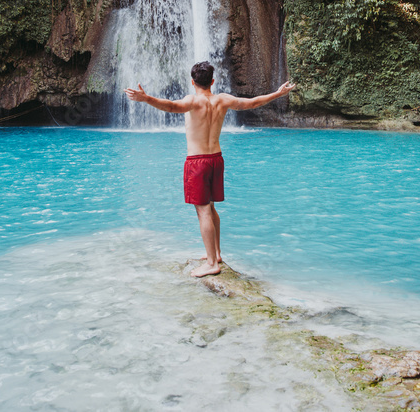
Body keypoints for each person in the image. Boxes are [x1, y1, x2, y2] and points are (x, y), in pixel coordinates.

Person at [124, 61, 295, 278]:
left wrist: (146, 98)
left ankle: (212, 263)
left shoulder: (192, 101)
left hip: (197, 161)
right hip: (216, 159)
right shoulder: (223, 100)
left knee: (202, 210)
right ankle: (217, 253)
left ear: (192, 81)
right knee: (211, 207)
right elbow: (252, 103)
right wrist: (277, 94)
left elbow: (170, 106)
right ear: (212, 81)